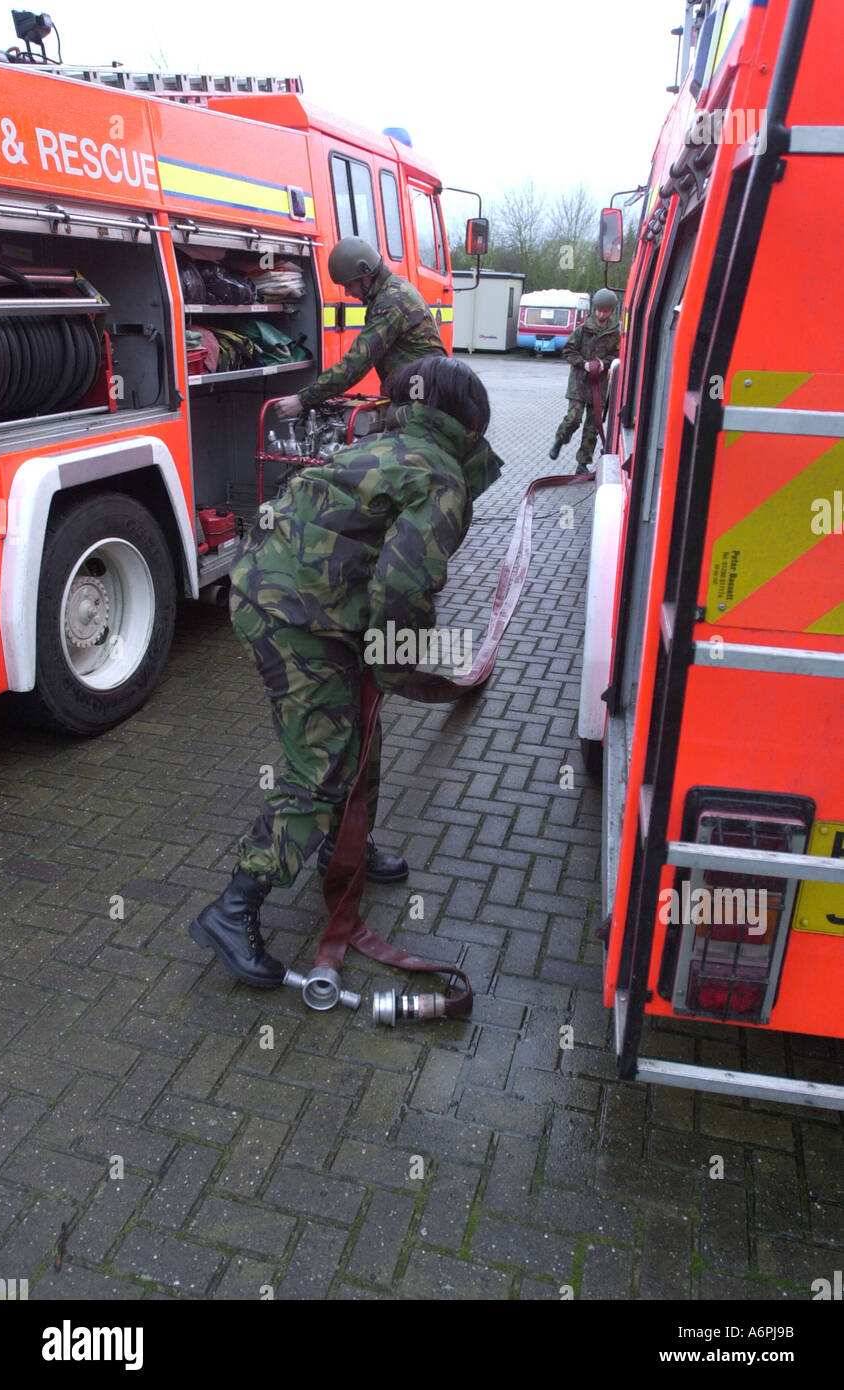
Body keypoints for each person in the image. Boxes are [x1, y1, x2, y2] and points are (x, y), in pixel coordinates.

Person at [189, 356, 504, 987]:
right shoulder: (440, 474)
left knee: (361, 737)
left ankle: (342, 849)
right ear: (469, 421)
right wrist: (395, 663)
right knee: (322, 764)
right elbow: (402, 587)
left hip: (289, 597)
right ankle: (235, 906)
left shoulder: (384, 441)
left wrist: (380, 658)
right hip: (296, 616)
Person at [271, 236, 447, 420]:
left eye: (349, 285)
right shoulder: (391, 291)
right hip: (421, 395)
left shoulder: (390, 302)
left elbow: (357, 362)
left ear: (366, 273)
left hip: (425, 402)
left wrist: (302, 399)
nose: (347, 292)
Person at [548, 287, 620, 475]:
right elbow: (568, 351)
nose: (601, 313)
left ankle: (582, 464)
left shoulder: (615, 333)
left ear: (611, 310)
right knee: (573, 418)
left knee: (593, 426)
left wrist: (604, 364)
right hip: (579, 384)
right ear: (594, 308)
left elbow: (618, 355)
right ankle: (560, 440)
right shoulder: (582, 329)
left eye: (605, 310)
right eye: (599, 309)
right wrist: (584, 364)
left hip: (600, 386)